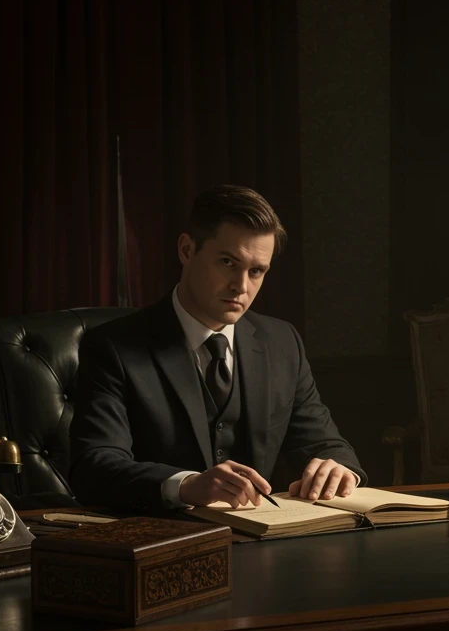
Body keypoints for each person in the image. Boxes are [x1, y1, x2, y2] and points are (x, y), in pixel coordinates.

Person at [69, 185, 366, 511]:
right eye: (227, 262)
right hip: (161, 542)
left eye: (256, 271)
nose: (241, 286)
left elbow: (323, 443)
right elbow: (93, 467)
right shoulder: (113, 346)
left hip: (265, 542)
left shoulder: (282, 342)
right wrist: (185, 485)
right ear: (186, 249)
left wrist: (338, 467)